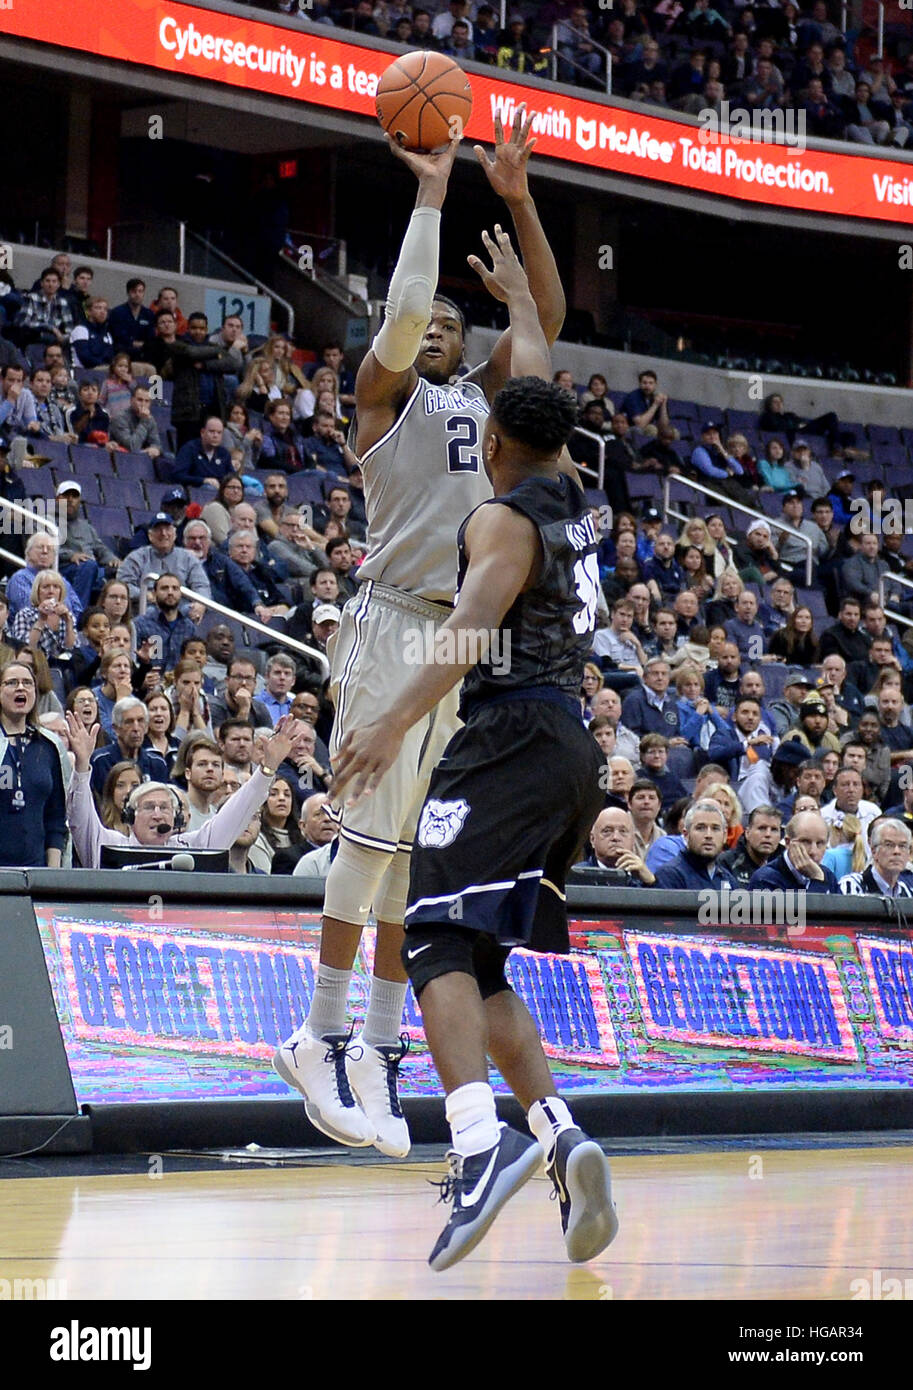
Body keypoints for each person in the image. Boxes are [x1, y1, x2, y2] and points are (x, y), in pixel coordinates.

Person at [274, 112, 571, 1162]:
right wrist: (434, 190)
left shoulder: (489, 412)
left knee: (415, 857)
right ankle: (317, 1032)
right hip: (392, 622)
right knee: (366, 836)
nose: (440, 326)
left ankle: (378, 1050)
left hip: (460, 645)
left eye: (455, 321)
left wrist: (523, 203)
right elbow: (401, 315)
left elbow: (542, 334)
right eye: (431, 323)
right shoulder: (387, 396)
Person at [326, 365, 616, 1272]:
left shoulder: (500, 518)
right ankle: (561, 1138)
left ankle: (476, 1145)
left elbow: (469, 625)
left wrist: (385, 722)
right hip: (571, 744)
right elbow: (540, 387)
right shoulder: (578, 499)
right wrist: (525, 230)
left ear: (490, 444)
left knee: (429, 939)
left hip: (507, 737)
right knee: (479, 962)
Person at [66, 713, 301, 867]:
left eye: (165, 808)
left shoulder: (193, 848)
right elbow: (80, 817)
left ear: (177, 818)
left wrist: (268, 767)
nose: (158, 814)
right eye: (149, 807)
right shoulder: (109, 843)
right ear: (129, 816)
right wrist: (82, 765)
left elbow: (237, 813)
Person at [0, 660, 68, 867]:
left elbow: (56, 818)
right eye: (12, 682)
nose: (21, 687)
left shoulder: (49, 746)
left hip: (35, 874)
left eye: (27, 683)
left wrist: (52, 875)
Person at [88, 695, 169, 795]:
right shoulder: (100, 761)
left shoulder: (157, 764)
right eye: (129, 722)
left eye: (140, 721)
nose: (136, 728)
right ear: (116, 728)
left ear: (147, 727)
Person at [653, 799, 741, 890]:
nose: (708, 835)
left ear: (725, 835)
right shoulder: (670, 875)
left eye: (715, 829)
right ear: (686, 834)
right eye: (700, 828)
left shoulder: (728, 879)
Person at [748, 810, 840, 892]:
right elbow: (808, 911)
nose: (813, 851)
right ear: (788, 843)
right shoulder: (765, 879)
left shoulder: (827, 875)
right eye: (805, 842)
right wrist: (817, 881)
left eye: (820, 843)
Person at [840, 817, 913, 896]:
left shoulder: (907, 892)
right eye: (889, 845)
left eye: (902, 846)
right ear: (874, 851)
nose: (897, 851)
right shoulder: (852, 885)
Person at [583, 806, 655, 884]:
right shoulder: (577, 876)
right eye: (607, 831)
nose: (616, 837)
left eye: (623, 831)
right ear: (592, 839)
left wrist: (651, 883)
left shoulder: (643, 879)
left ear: (633, 840)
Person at [717, 804, 783, 885]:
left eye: (774, 829)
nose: (768, 834)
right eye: (762, 828)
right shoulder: (726, 862)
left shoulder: (783, 866)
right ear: (747, 833)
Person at [99, 760, 142, 833]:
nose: (128, 791)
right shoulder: (99, 826)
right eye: (120, 785)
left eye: (135, 786)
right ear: (111, 790)